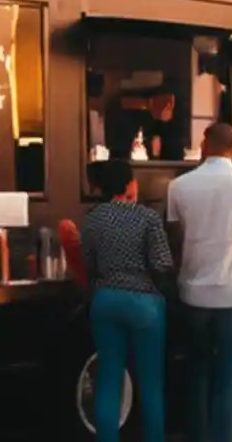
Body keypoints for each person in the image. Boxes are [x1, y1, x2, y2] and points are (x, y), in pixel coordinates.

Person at [167, 123, 232, 442]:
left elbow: (174, 238)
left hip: (193, 291)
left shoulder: (179, 186)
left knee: (197, 372)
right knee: (230, 378)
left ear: (204, 143)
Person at [80, 159, 174, 442]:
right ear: (129, 184)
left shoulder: (92, 219)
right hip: (144, 304)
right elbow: (162, 264)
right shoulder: (147, 218)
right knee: (150, 385)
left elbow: (89, 265)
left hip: (106, 301)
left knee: (108, 381)